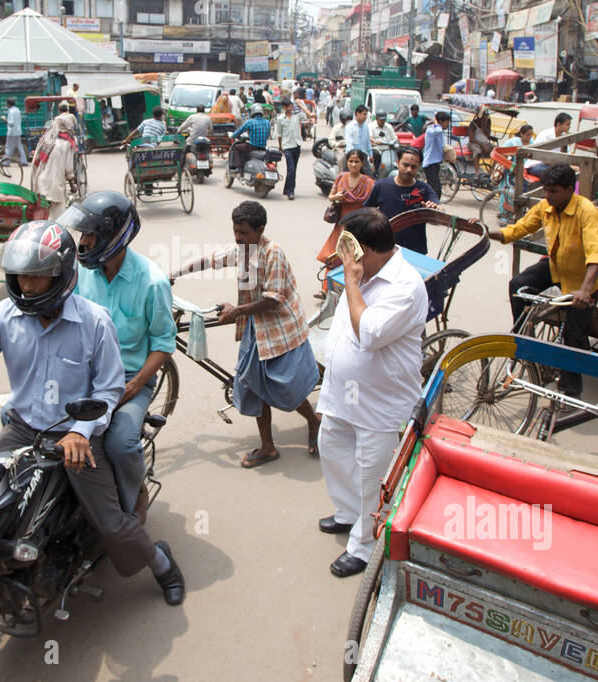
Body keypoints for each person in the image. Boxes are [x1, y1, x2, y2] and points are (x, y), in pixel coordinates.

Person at [0, 221, 185, 605]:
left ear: (61, 274)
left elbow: (108, 389)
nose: (26, 285)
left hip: (76, 436)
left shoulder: (93, 321)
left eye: (38, 276)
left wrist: (81, 431)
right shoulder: (4, 316)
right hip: (22, 429)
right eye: (21, 275)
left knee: (110, 522)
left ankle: (160, 563)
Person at [317, 208, 429, 577]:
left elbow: (368, 333)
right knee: (332, 449)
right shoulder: (367, 273)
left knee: (371, 476)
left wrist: (350, 279)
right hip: (342, 395)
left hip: (380, 404)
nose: (341, 256)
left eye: (348, 249)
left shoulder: (404, 287)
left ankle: (364, 546)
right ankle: (349, 513)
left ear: (363, 249)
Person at [170, 202, 320, 469]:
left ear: (260, 230)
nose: (237, 237)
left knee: (287, 388)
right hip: (255, 326)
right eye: (235, 231)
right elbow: (210, 260)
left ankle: (314, 421)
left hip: (281, 330)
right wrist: (174, 274)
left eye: (243, 232)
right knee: (253, 385)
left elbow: (273, 300)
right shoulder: (242, 250)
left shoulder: (273, 254)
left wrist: (236, 311)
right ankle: (268, 447)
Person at [57, 193, 174, 519]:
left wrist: (133, 387)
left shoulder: (152, 282)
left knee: (120, 444)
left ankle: (137, 490)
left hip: (128, 378)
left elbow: (163, 343)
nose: (83, 242)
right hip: (86, 374)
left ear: (113, 237)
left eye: (91, 234)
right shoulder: (80, 274)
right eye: (83, 234)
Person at [488, 163, 598, 397]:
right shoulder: (545, 207)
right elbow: (517, 229)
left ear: (570, 189)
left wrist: (584, 290)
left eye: (553, 191)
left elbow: (595, 254)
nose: (547, 196)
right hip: (555, 267)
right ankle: (524, 342)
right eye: (545, 190)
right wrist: (485, 231)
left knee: (575, 335)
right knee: (517, 285)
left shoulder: (586, 211)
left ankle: (570, 392)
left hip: (582, 279)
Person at [316, 148, 375, 292]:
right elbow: (331, 196)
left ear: (362, 164)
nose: (353, 165)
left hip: (359, 226)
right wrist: (337, 197)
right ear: (346, 162)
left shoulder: (369, 183)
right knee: (333, 256)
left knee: (354, 258)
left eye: (356, 162)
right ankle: (325, 289)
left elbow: (371, 205)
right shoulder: (341, 177)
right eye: (350, 161)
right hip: (341, 224)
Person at [363, 146, 440, 254]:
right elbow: (366, 212)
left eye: (413, 167)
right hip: (386, 248)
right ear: (398, 162)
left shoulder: (424, 188)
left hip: (416, 250)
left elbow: (439, 209)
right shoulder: (381, 186)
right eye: (405, 165)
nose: (409, 170)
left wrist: (435, 209)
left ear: (418, 167)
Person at [34, 106, 80, 218]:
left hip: (42, 182)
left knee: (44, 214)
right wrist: (73, 186)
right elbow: (68, 169)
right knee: (57, 217)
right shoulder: (67, 144)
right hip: (56, 185)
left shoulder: (48, 140)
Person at [273, 99, 306, 199]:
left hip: (297, 145)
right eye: (286, 106)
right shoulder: (280, 119)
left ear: (292, 106)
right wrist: (280, 147)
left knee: (293, 170)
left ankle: (287, 189)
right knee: (291, 169)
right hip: (287, 146)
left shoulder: (298, 116)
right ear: (283, 107)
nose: (288, 108)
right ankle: (291, 191)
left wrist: (300, 105)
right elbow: (279, 134)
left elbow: (309, 115)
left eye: (289, 105)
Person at [228, 106, 271, 171]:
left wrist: (232, 135)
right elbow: (267, 136)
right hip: (263, 148)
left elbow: (240, 131)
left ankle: (237, 167)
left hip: (252, 147)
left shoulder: (250, 122)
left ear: (253, 113)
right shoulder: (267, 122)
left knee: (236, 147)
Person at [178, 105, 213, 176]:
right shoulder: (208, 118)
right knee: (209, 152)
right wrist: (207, 134)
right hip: (203, 141)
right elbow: (211, 130)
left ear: (196, 111)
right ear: (204, 111)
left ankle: (180, 171)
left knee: (183, 153)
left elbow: (183, 126)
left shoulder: (192, 117)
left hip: (192, 141)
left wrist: (178, 131)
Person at [421, 110, 449, 194]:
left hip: (436, 162)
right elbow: (438, 131)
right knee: (436, 187)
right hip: (430, 163)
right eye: (447, 122)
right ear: (440, 122)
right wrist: (435, 122)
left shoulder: (438, 130)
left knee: (432, 186)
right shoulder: (431, 130)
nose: (447, 125)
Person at [2, 97, 27, 167]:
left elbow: (11, 123)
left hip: (11, 132)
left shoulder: (11, 111)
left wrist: (5, 120)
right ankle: (24, 161)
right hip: (18, 131)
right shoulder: (17, 110)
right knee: (19, 146)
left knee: (8, 147)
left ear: (9, 104)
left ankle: (6, 162)